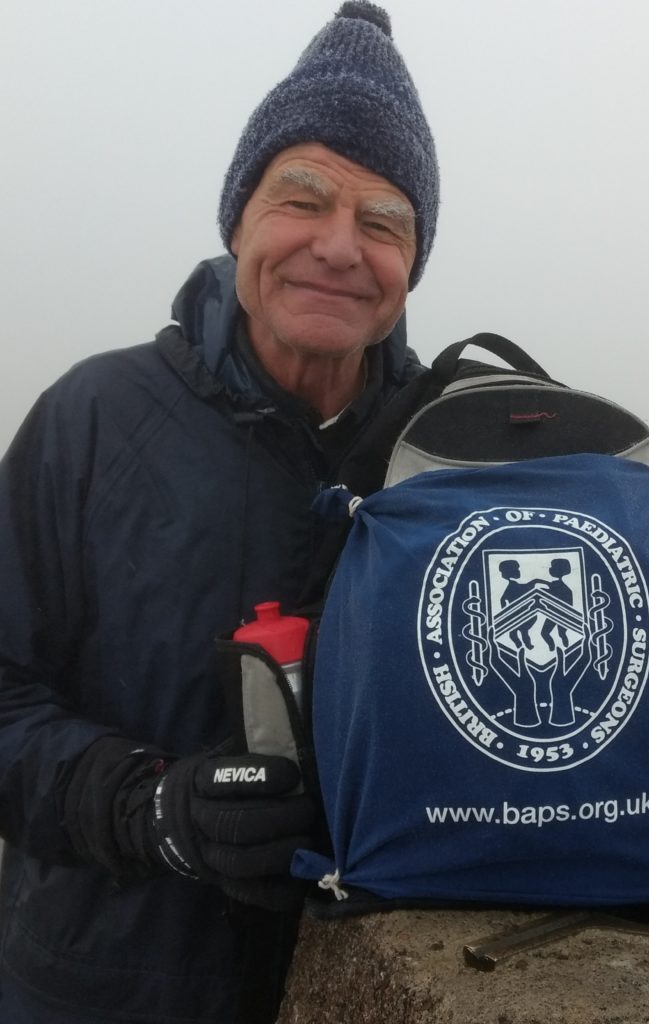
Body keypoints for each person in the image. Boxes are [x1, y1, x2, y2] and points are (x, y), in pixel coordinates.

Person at [0, 4, 439, 1022]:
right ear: (237, 218)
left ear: (412, 261)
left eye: (383, 221)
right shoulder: (94, 419)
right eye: (303, 200)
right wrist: (151, 806)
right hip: (95, 990)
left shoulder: (444, 458)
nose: (339, 246)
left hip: (353, 984)